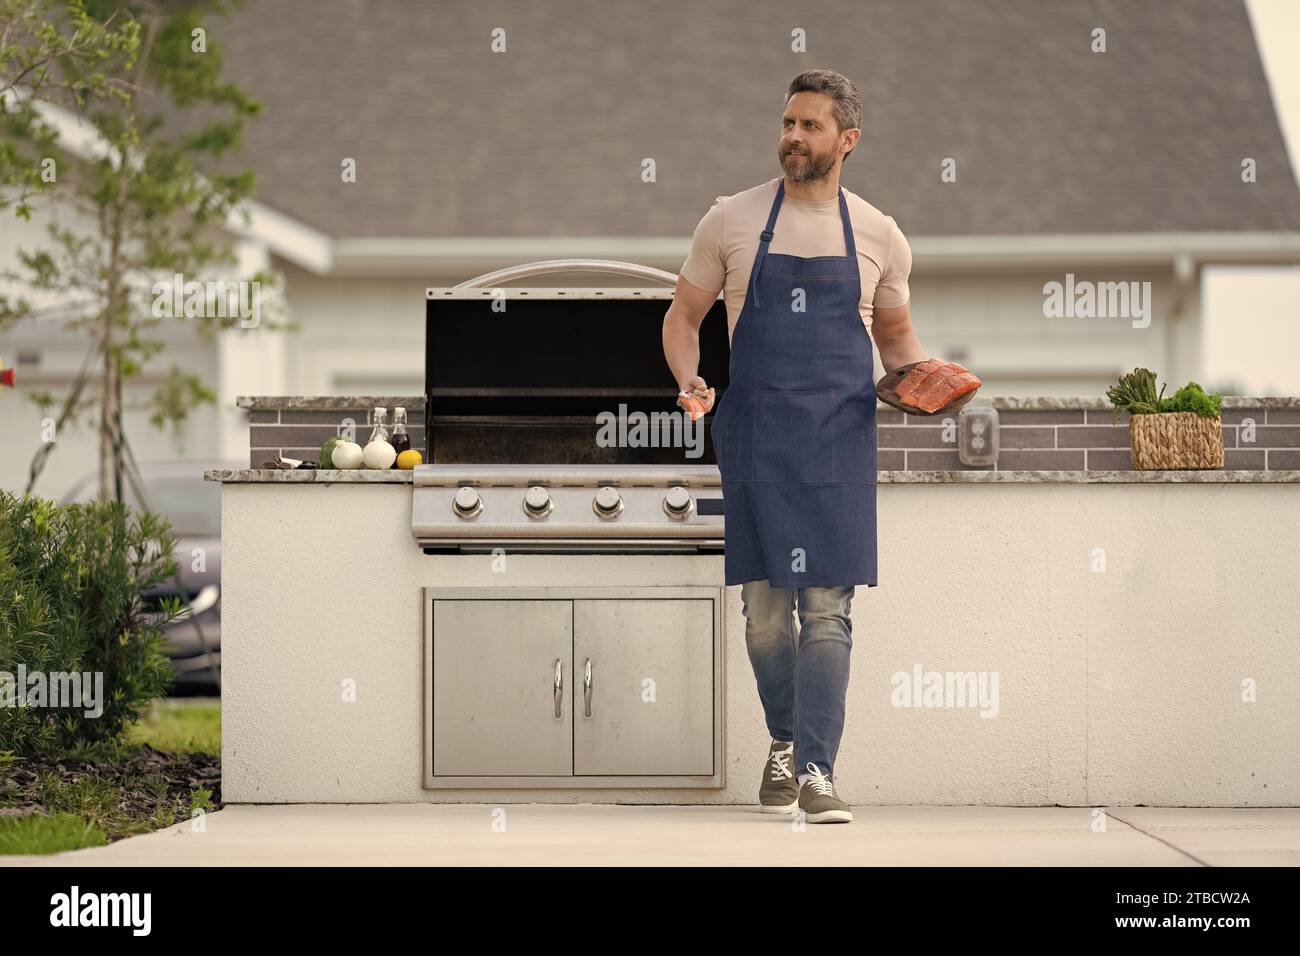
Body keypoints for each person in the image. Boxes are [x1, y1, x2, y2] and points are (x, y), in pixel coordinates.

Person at [662, 69, 926, 824]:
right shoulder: (731, 219)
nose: (792, 137)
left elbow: (897, 342)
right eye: (787, 122)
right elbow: (683, 317)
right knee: (766, 617)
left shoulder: (879, 234)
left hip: (839, 442)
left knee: (830, 611)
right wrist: (691, 376)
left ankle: (815, 770)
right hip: (759, 438)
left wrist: (926, 384)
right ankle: (783, 739)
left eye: (810, 126)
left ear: (847, 140)